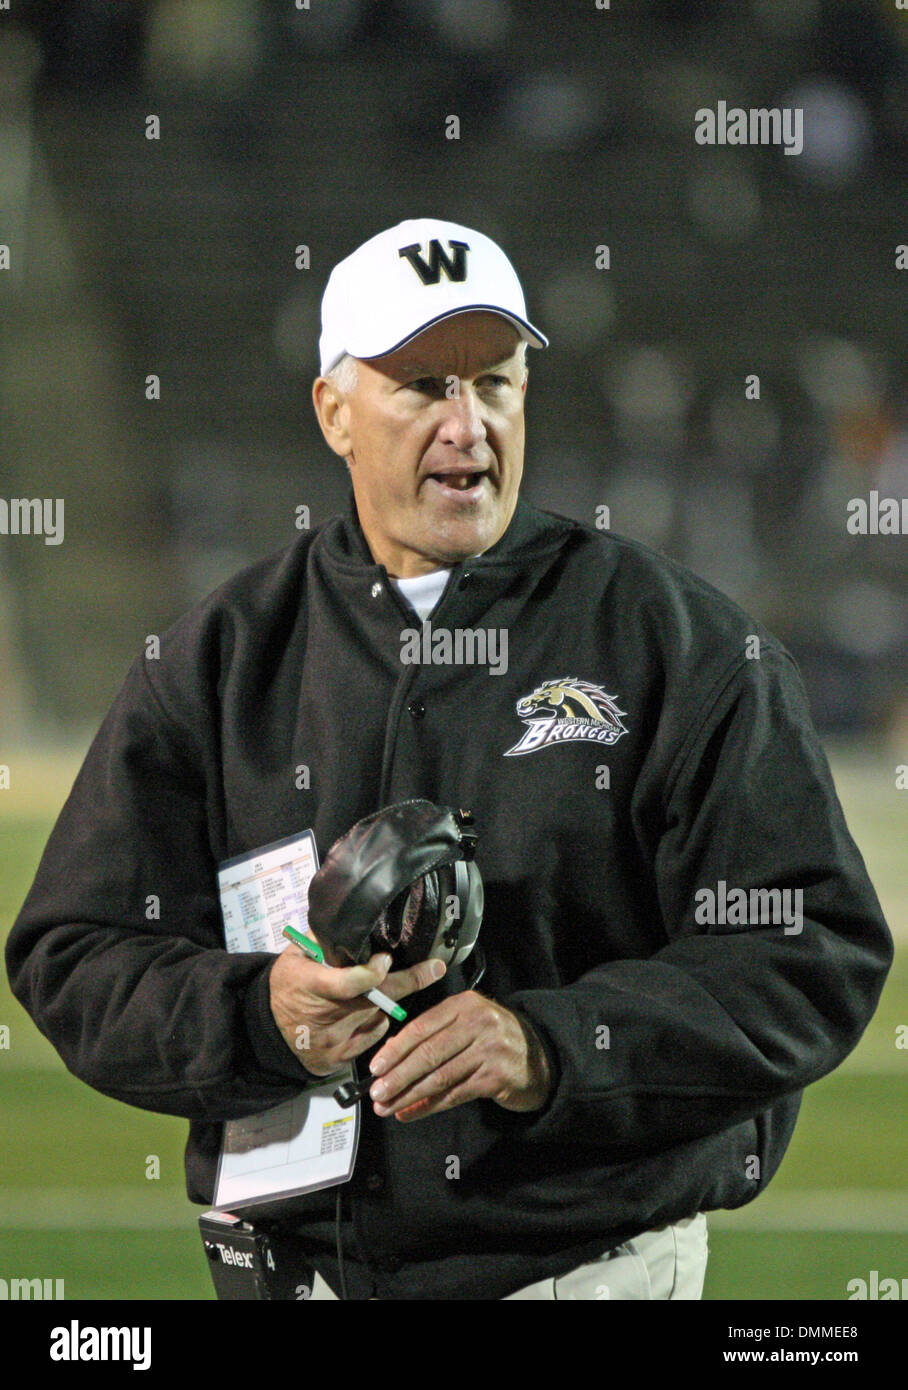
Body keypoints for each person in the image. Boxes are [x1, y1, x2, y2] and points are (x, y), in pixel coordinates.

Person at [6, 217, 893, 1301]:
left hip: (578, 1274)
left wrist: (552, 1048)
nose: (466, 425)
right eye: (422, 385)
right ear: (334, 411)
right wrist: (261, 1017)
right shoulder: (223, 655)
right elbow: (75, 953)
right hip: (290, 1277)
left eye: (496, 381)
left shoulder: (671, 640)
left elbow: (811, 950)